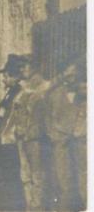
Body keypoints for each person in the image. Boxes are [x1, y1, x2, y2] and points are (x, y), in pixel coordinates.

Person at [45, 61, 86, 211]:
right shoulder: (54, 94)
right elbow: (47, 119)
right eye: (68, 75)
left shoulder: (85, 93)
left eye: (74, 75)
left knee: (84, 181)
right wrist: (54, 135)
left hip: (81, 145)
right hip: (61, 145)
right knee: (63, 182)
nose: (71, 79)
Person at [12, 54, 51, 210]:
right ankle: (30, 206)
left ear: (35, 66)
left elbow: (43, 115)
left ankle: (37, 207)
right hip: (22, 138)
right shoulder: (24, 88)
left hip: (36, 139)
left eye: (25, 65)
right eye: (20, 66)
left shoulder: (44, 86)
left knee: (37, 175)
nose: (22, 69)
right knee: (25, 176)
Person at [0, 54, 27, 211]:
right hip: (2, 142)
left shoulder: (18, 94)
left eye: (6, 76)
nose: (3, 79)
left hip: (9, 143)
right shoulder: (9, 93)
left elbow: (9, 119)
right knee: (2, 179)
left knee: (10, 179)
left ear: (15, 77)